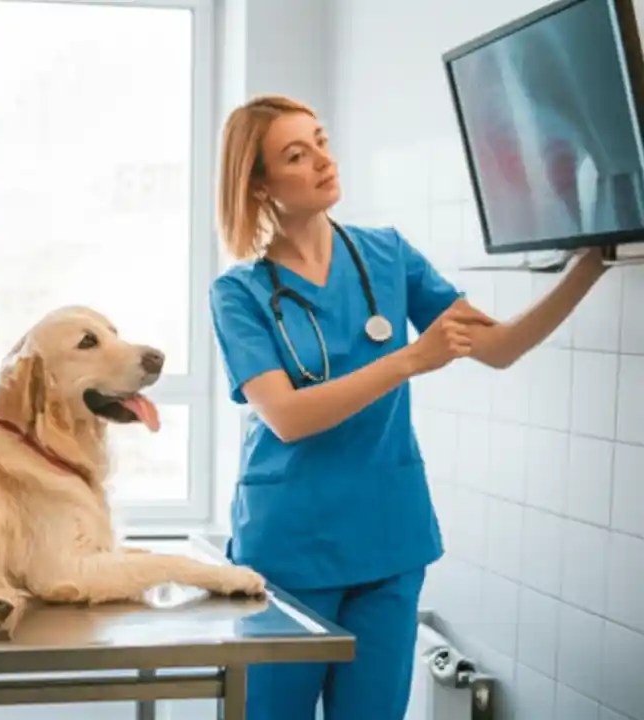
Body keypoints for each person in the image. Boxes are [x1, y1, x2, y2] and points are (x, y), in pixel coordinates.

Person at [208, 94, 608, 720]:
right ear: (259, 184)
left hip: (387, 542)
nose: (321, 161)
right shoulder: (240, 292)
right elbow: (286, 416)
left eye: (321, 141)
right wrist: (408, 359)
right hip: (289, 550)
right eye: (295, 154)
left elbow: (499, 348)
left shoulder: (387, 255)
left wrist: (589, 265)